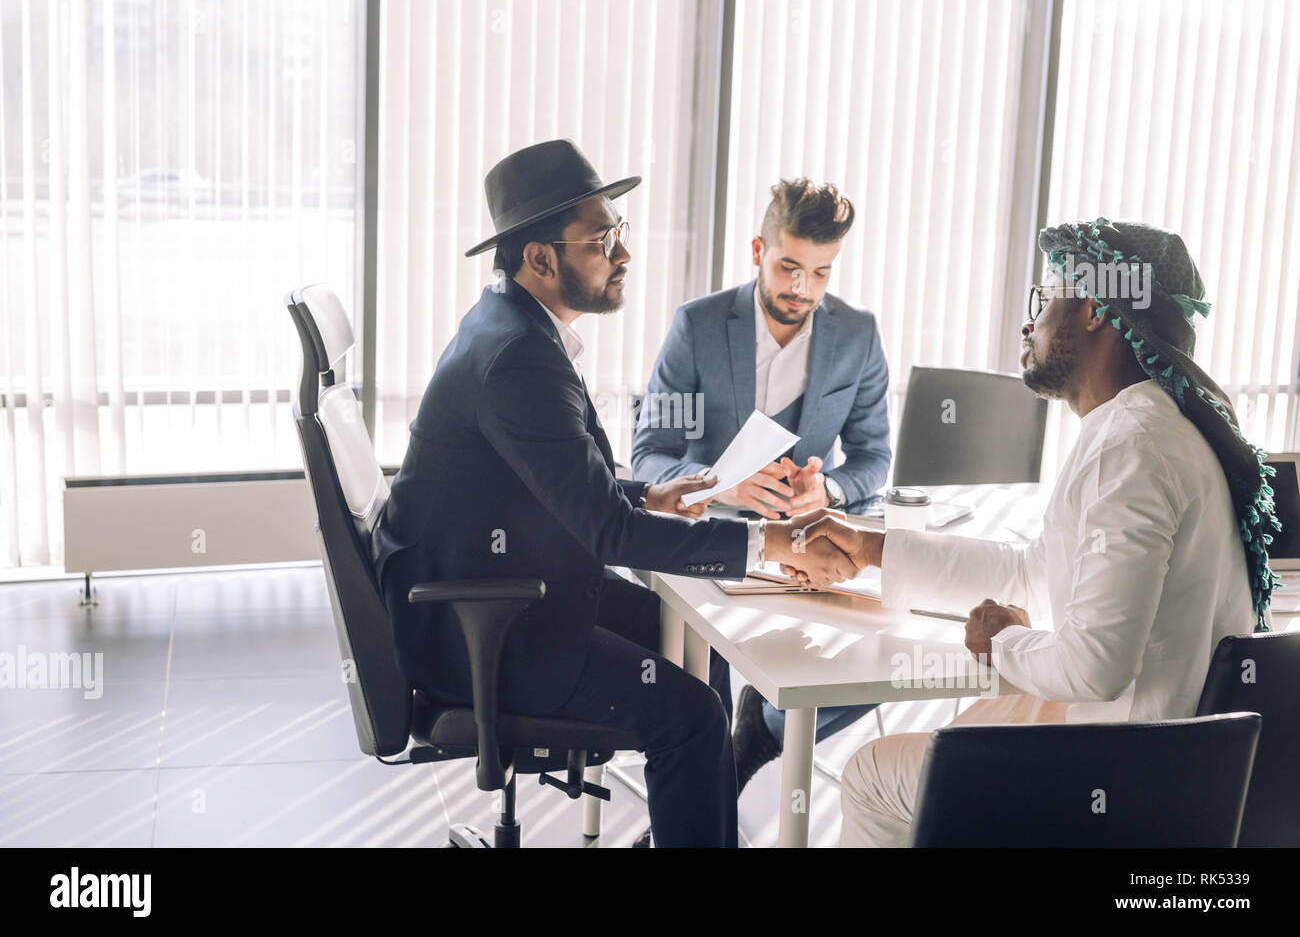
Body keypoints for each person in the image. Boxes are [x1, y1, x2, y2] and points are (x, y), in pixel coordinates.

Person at [368, 139, 856, 848]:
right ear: (541, 257)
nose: (623, 253)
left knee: (700, 647)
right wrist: (769, 544)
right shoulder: (518, 361)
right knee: (688, 715)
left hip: (505, 587)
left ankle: (696, 830)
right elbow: (608, 535)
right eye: (603, 239)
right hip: (488, 633)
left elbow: (559, 480)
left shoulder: (515, 326)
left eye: (619, 232)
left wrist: (649, 495)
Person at [786, 219, 1280, 846]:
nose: (1030, 322)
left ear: (1097, 308)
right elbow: (1033, 574)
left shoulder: (1129, 449)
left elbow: (1096, 667)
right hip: (1174, 763)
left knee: (872, 772)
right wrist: (876, 549)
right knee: (974, 725)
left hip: (1123, 776)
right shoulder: (1147, 427)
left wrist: (1006, 640)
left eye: (1045, 300)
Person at [631, 178, 891, 792]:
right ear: (757, 250)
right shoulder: (697, 327)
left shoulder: (856, 336)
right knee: (704, 694)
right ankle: (701, 805)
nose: (802, 289)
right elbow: (648, 457)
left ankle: (762, 735)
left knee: (879, 658)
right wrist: (722, 485)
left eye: (822, 274)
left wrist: (826, 492)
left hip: (806, 543)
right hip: (706, 543)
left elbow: (874, 457)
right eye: (789, 267)